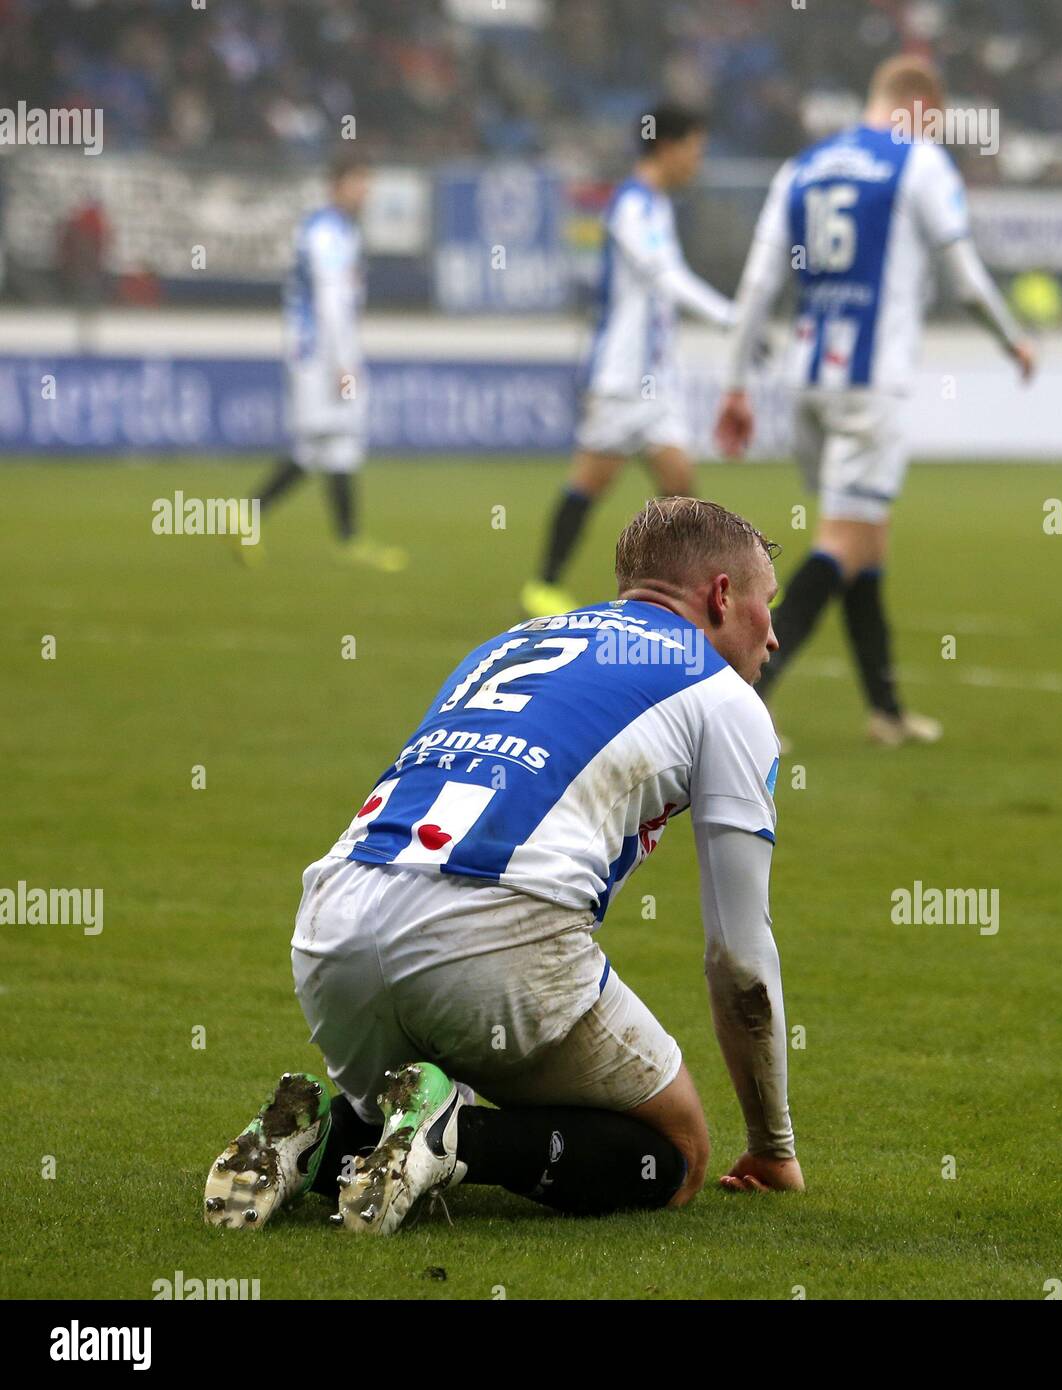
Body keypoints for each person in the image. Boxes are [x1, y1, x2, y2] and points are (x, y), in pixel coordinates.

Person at [205, 497, 804, 1234]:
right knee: (675, 1153)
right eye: (764, 605)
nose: (773, 638)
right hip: (487, 940)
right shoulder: (724, 695)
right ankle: (457, 1140)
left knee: (408, 1087)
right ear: (719, 596)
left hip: (333, 930)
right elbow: (739, 957)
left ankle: (321, 1138)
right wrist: (773, 1148)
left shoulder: (510, 643)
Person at [715, 56, 1037, 745]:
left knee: (867, 542)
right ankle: (746, 692)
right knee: (843, 541)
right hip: (869, 384)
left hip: (806, 381)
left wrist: (736, 385)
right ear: (921, 108)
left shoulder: (800, 169)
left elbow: (756, 289)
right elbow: (966, 279)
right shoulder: (917, 164)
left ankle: (884, 711)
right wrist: (1014, 340)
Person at [520, 106, 736, 618]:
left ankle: (706, 592)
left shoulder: (656, 206)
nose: (697, 162)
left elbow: (670, 278)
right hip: (619, 378)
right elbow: (666, 278)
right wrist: (733, 318)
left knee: (681, 486)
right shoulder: (632, 207)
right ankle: (543, 583)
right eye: (694, 150)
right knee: (591, 481)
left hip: (654, 381)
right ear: (667, 147)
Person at [241, 152, 407, 572]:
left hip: (323, 352)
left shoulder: (339, 231)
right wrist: (343, 365)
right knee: (323, 441)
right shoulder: (328, 233)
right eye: (358, 182)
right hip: (319, 355)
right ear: (336, 184)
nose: (365, 192)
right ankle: (251, 514)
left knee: (337, 442)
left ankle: (346, 538)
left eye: (368, 183)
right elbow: (330, 303)